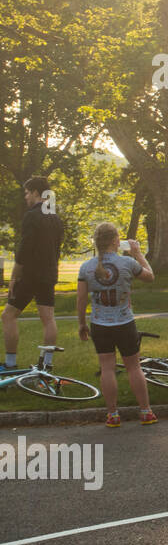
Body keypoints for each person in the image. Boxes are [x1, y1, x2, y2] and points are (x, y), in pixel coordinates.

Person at [76, 224, 155, 427]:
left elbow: (81, 300)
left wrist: (82, 324)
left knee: (107, 368)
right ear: (115, 241)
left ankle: (113, 415)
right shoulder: (127, 262)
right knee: (134, 367)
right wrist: (138, 253)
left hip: (100, 324)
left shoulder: (86, 267)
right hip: (125, 323)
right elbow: (150, 276)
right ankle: (145, 412)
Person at [4, 176, 64, 371]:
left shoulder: (32, 216)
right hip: (49, 274)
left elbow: (24, 250)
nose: (26, 197)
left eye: (27, 192)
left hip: (30, 275)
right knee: (48, 318)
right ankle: (47, 364)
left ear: (36, 192)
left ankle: (10, 363)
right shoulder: (55, 217)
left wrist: (14, 277)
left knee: (8, 315)